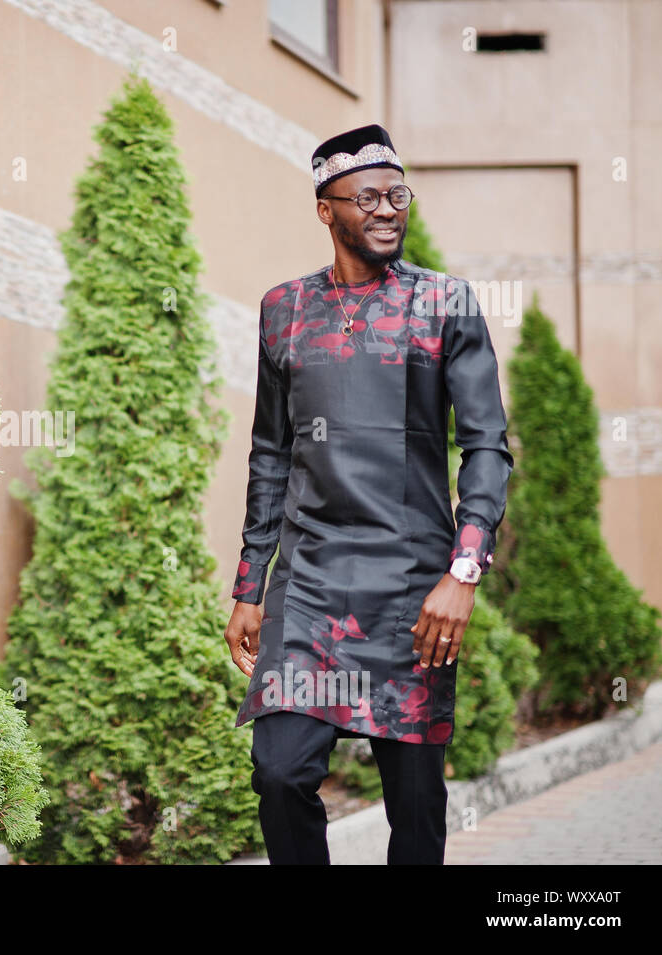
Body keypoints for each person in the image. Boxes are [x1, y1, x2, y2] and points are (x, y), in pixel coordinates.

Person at [222, 124, 514, 864]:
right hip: (310, 586)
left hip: (415, 588)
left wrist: (464, 571)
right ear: (327, 209)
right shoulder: (283, 309)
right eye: (368, 197)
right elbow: (270, 450)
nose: (388, 209)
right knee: (279, 771)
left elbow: (486, 446)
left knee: (415, 808)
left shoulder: (444, 303)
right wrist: (251, 585)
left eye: (398, 194)